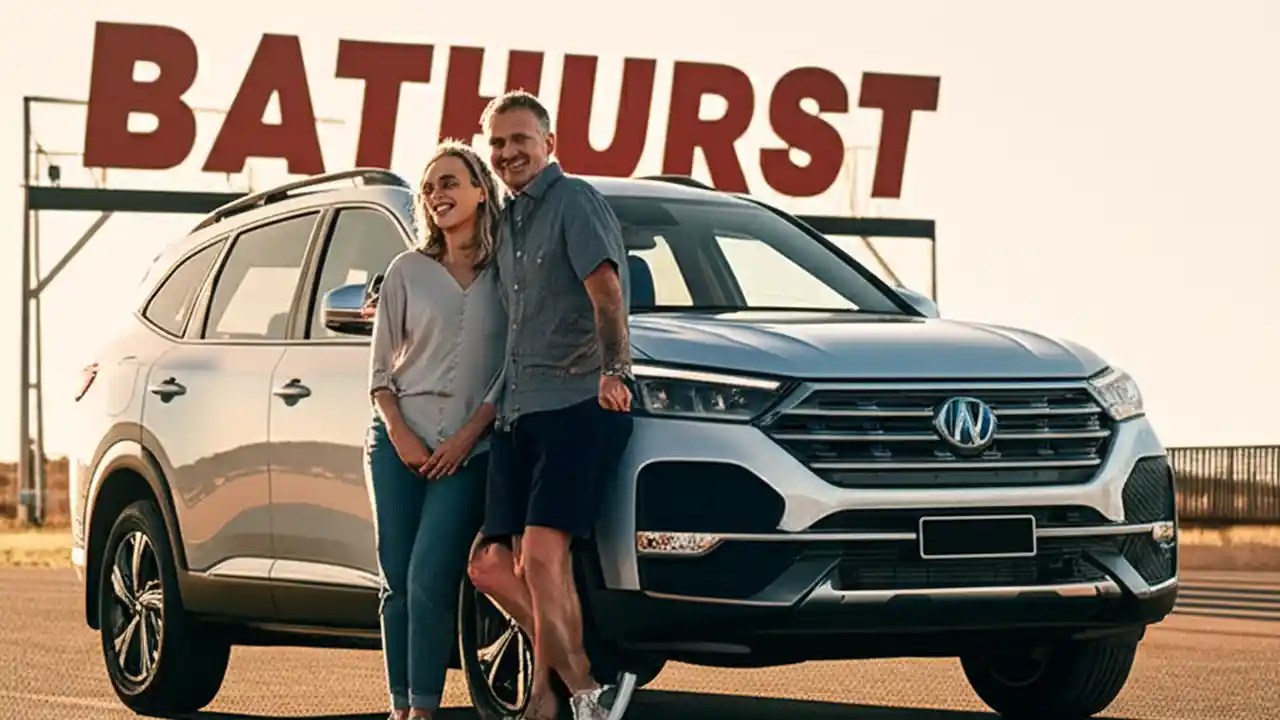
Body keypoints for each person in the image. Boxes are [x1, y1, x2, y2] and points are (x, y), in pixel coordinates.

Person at [466, 90, 635, 720]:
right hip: (517, 412)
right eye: (499, 144)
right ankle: (568, 691)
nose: (509, 153)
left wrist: (615, 371)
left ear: (549, 145)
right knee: (490, 564)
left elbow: (608, 294)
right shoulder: (505, 220)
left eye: (520, 140)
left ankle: (580, 691)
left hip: (575, 403)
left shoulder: (574, 202)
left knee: (541, 557)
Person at [364, 139, 507, 720]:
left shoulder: (508, 275)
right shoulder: (407, 270)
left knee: (429, 576)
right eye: (429, 187)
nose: (436, 194)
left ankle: (424, 709)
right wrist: (398, 432)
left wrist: (466, 438)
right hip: (398, 441)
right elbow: (379, 372)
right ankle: (400, 708)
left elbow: (509, 371)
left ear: (480, 189)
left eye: (449, 182)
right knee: (396, 579)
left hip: (469, 449)